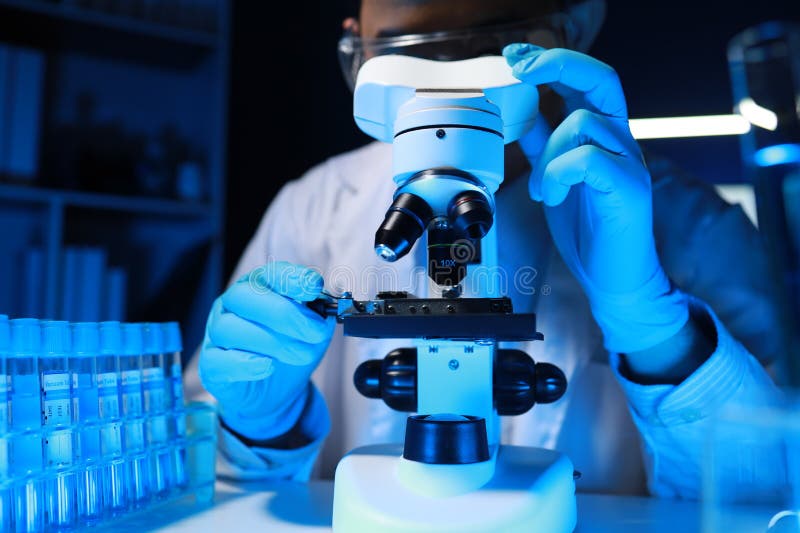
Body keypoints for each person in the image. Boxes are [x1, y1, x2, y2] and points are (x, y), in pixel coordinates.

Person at [185, 0, 785, 498]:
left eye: (492, 42)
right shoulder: (314, 207)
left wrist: (650, 324)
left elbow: (769, 498)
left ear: (574, 26)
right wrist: (261, 426)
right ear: (358, 49)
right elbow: (196, 484)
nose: (449, 78)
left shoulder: (697, 230)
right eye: (407, 50)